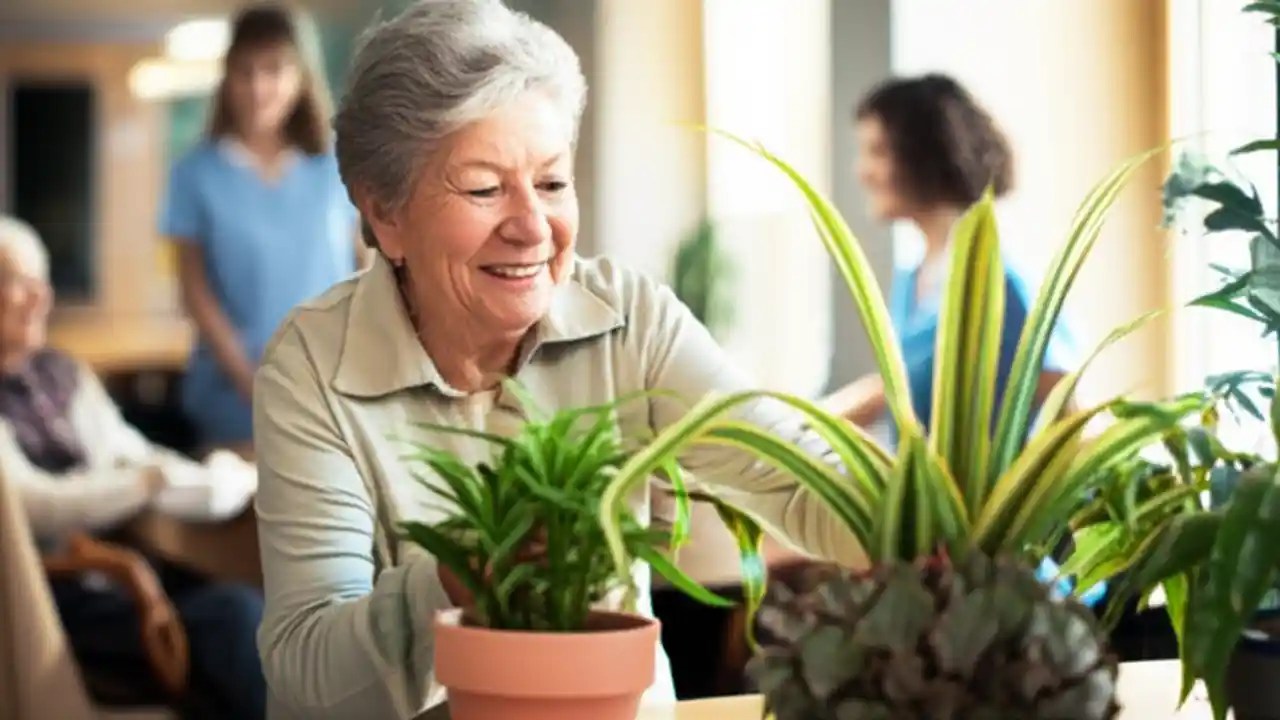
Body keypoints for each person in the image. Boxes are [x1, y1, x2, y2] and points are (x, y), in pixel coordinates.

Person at [252, 2, 866, 718]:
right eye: (483, 188)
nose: (532, 227)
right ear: (384, 212)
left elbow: (795, 476)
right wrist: (459, 581)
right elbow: (305, 669)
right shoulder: (314, 364)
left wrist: (945, 533)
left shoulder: (629, 319)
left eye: (551, 183)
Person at [0, 215, 267, 719]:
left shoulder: (63, 372)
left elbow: (128, 452)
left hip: (123, 564)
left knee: (254, 604)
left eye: (42, 282)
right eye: (17, 284)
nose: (38, 297)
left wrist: (202, 472)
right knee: (233, 619)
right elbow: (33, 505)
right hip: (52, 592)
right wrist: (147, 482)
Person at [161, 2, 362, 454]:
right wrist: (251, 380)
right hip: (234, 398)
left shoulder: (336, 167)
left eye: (274, 70)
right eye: (244, 71)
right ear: (227, 77)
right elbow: (194, 291)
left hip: (330, 388)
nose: (258, 87)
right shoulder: (195, 174)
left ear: (301, 76)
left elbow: (364, 272)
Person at [828, 73, 1077, 434]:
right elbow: (895, 389)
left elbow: (1065, 404)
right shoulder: (912, 280)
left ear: (924, 154)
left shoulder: (1002, 285)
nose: (862, 172)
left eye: (878, 151)